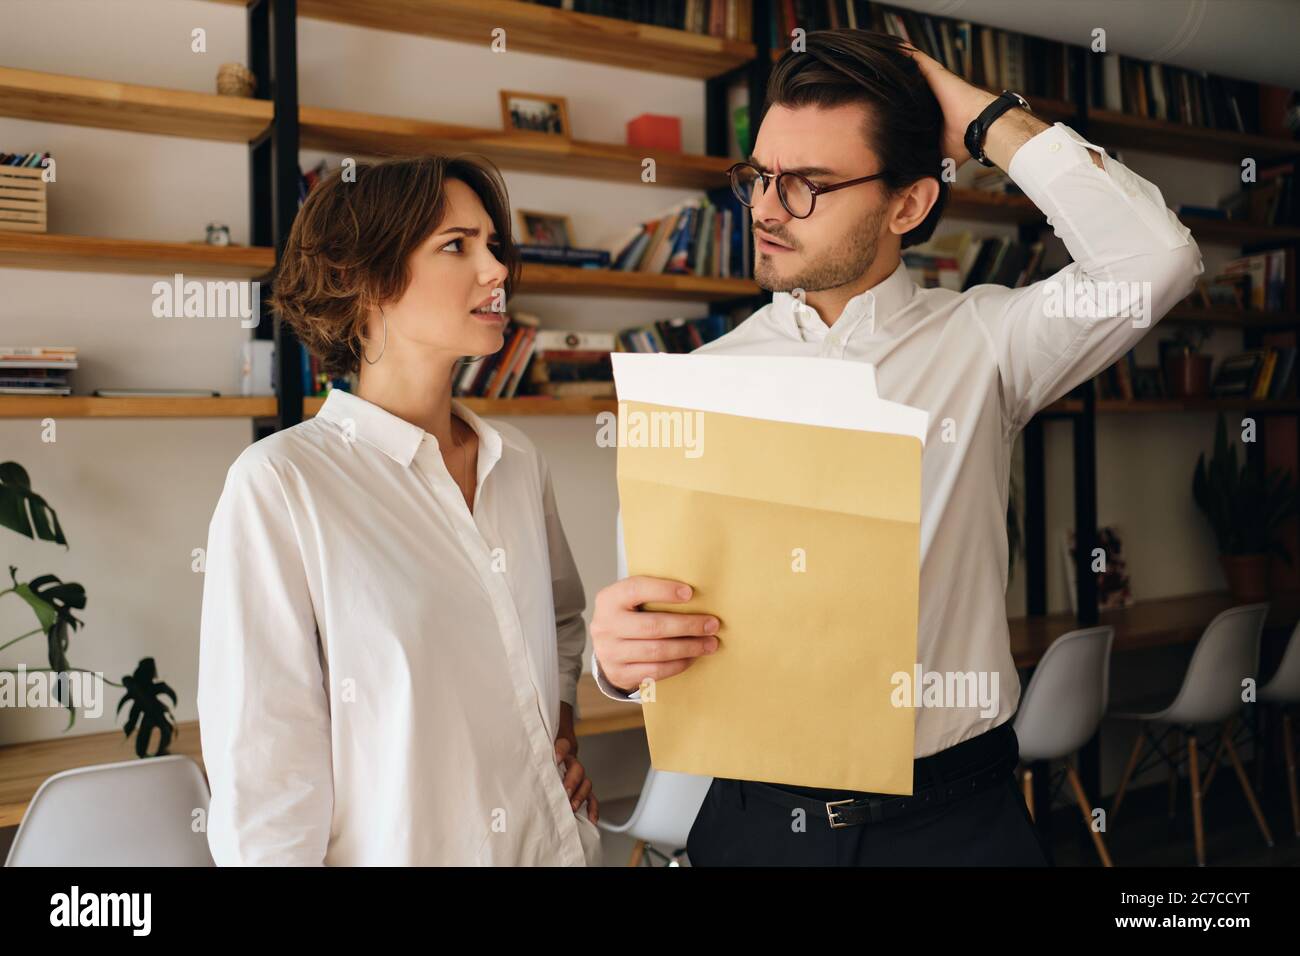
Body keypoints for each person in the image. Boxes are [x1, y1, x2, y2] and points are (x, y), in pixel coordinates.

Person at [590, 30, 1202, 865]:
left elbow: (1156, 257)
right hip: (755, 826)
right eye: (759, 177)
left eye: (807, 185)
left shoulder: (988, 342)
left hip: (956, 822)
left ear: (908, 205)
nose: (766, 210)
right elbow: (653, 614)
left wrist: (982, 120)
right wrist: (618, 663)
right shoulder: (700, 377)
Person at [198, 154, 601, 866]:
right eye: (457, 246)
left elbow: (563, 622)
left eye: (494, 245)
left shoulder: (517, 462)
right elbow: (266, 778)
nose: (498, 270)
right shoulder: (282, 485)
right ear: (366, 280)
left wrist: (557, 736)